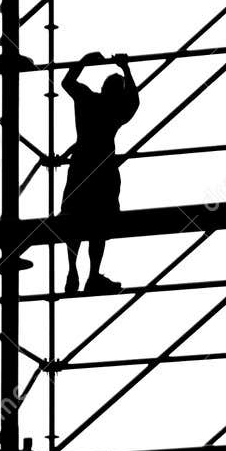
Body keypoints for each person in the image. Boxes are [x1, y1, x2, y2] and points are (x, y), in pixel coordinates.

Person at [60, 51, 140, 294]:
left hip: (81, 165)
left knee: (73, 218)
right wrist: (126, 68)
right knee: (100, 223)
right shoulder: (115, 111)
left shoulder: (87, 100)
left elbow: (67, 82)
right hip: (104, 169)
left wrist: (83, 61)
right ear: (118, 93)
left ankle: (72, 270)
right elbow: (134, 101)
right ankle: (92, 275)